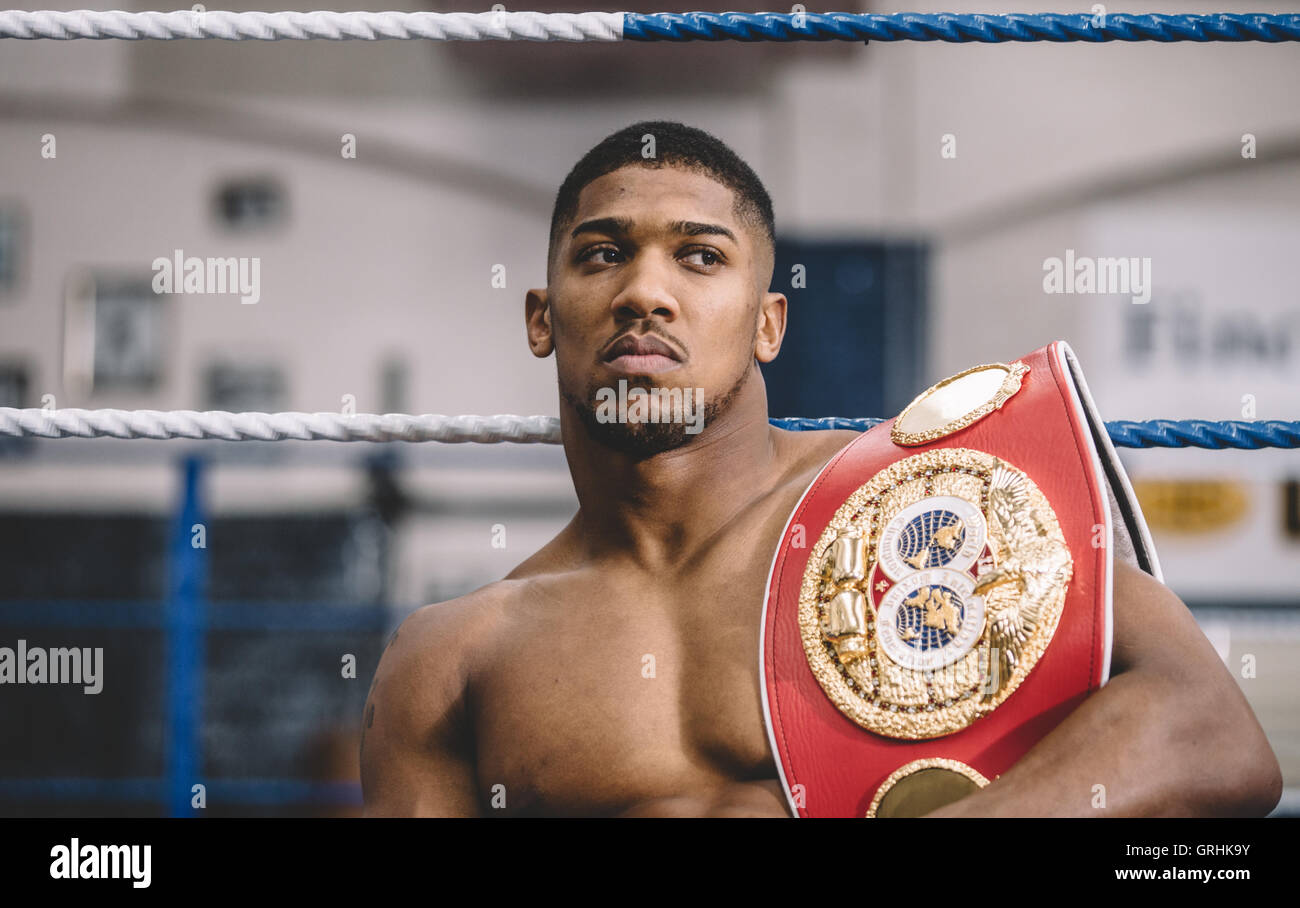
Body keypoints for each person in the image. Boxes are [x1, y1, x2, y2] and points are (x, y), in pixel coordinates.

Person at [360, 120, 1282, 817]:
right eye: (603, 255)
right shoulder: (450, 661)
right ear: (540, 317)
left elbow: (1212, 733)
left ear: (768, 324)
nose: (644, 291)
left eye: (698, 256)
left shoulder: (931, 502)